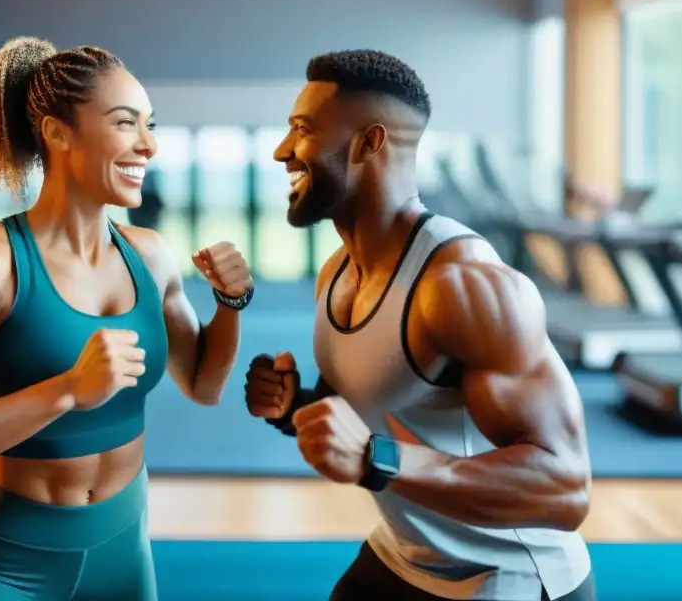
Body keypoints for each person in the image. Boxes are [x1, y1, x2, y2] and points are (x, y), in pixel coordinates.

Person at [0, 36, 254, 600]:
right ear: (58, 133)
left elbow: (204, 385)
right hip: (7, 563)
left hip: (124, 551)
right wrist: (65, 391)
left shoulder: (151, 255)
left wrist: (230, 306)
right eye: (125, 123)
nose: (147, 146)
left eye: (150, 126)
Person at [244, 50, 595, 601]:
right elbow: (380, 410)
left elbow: (565, 488)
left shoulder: (464, 285)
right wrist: (297, 407)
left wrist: (377, 459)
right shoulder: (337, 274)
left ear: (369, 142)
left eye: (302, 130)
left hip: (508, 577)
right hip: (406, 555)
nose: (281, 150)